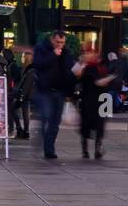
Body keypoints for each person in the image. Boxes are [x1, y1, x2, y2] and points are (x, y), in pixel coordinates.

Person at [32, 30, 75, 159]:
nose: (60, 45)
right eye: (57, 42)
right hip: (44, 91)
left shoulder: (66, 53)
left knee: (55, 122)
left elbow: (68, 71)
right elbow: (38, 64)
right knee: (46, 116)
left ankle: (49, 149)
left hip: (59, 91)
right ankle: (42, 139)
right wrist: (53, 55)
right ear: (52, 40)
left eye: (62, 42)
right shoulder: (42, 49)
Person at [73, 47, 115, 159]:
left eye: (92, 52)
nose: (90, 55)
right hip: (89, 100)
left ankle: (97, 149)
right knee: (86, 125)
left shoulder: (102, 66)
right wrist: (109, 78)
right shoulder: (87, 68)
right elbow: (96, 82)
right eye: (88, 52)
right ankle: (85, 150)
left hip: (102, 100)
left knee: (99, 126)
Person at [15, 50, 35, 139]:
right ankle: (23, 131)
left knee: (25, 113)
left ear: (27, 58)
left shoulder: (31, 70)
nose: (22, 58)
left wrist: (22, 96)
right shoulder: (27, 68)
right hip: (24, 95)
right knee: (23, 112)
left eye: (23, 57)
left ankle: (25, 132)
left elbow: (27, 84)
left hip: (26, 96)